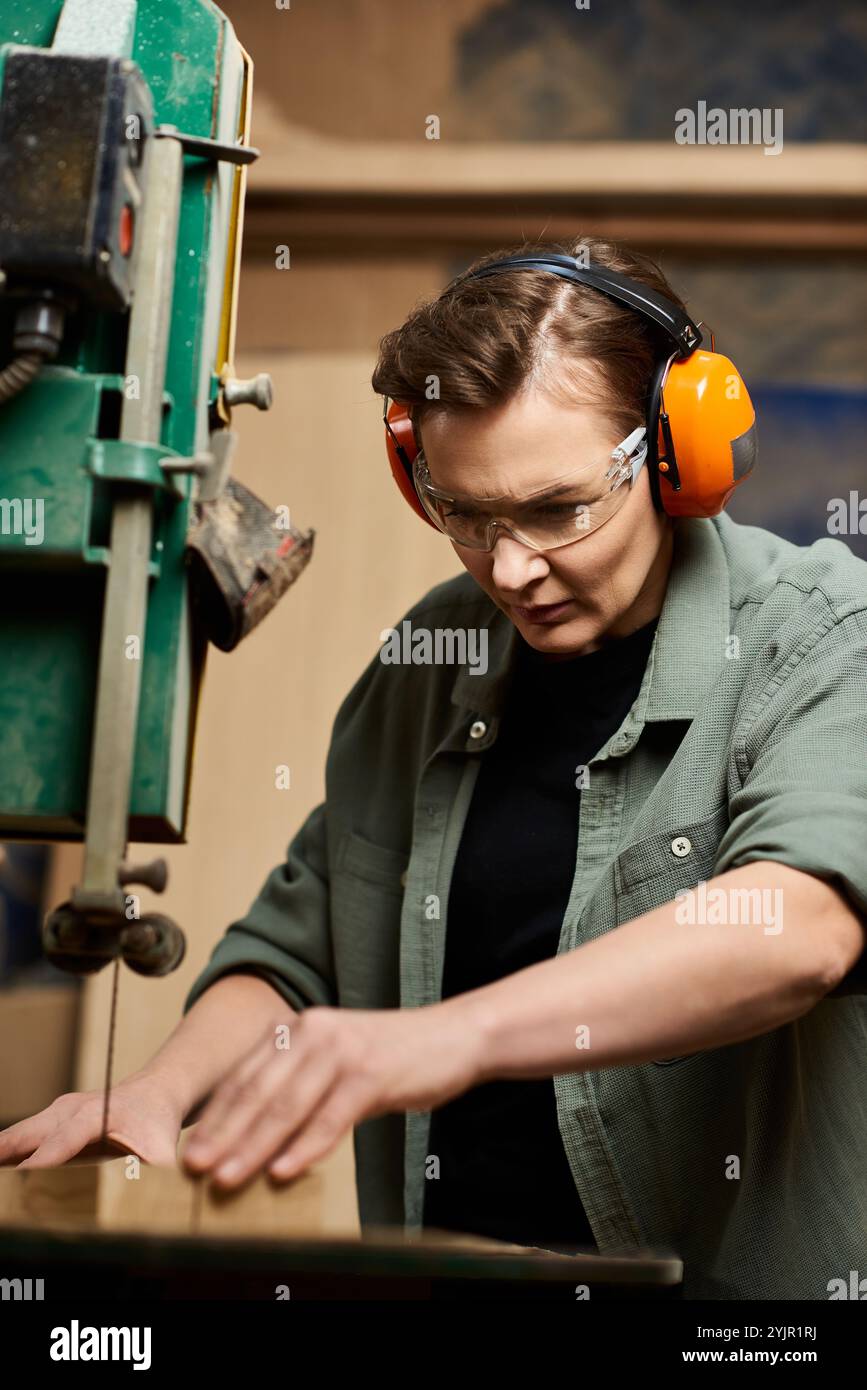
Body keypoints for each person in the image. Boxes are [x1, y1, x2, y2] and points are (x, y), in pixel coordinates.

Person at [2, 236, 866, 1301]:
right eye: (466, 514)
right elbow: (308, 937)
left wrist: (445, 1042)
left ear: (680, 451)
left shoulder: (822, 638)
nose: (510, 568)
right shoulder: (437, 654)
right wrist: (157, 1093)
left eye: (558, 510)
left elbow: (798, 929)